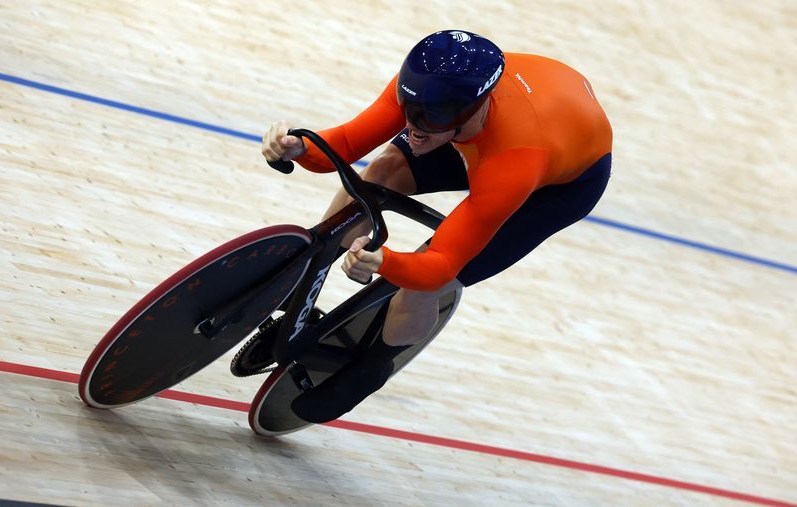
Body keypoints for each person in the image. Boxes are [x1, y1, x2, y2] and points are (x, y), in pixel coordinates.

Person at [260, 29, 613, 423]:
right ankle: (308, 272)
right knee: (383, 169)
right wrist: (302, 147)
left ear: (474, 108)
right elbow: (344, 143)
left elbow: (441, 263)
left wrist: (385, 262)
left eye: (430, 118)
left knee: (425, 282)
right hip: (504, 124)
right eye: (408, 109)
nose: (414, 124)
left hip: (557, 182)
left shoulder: (515, 161)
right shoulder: (429, 93)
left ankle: (372, 368)